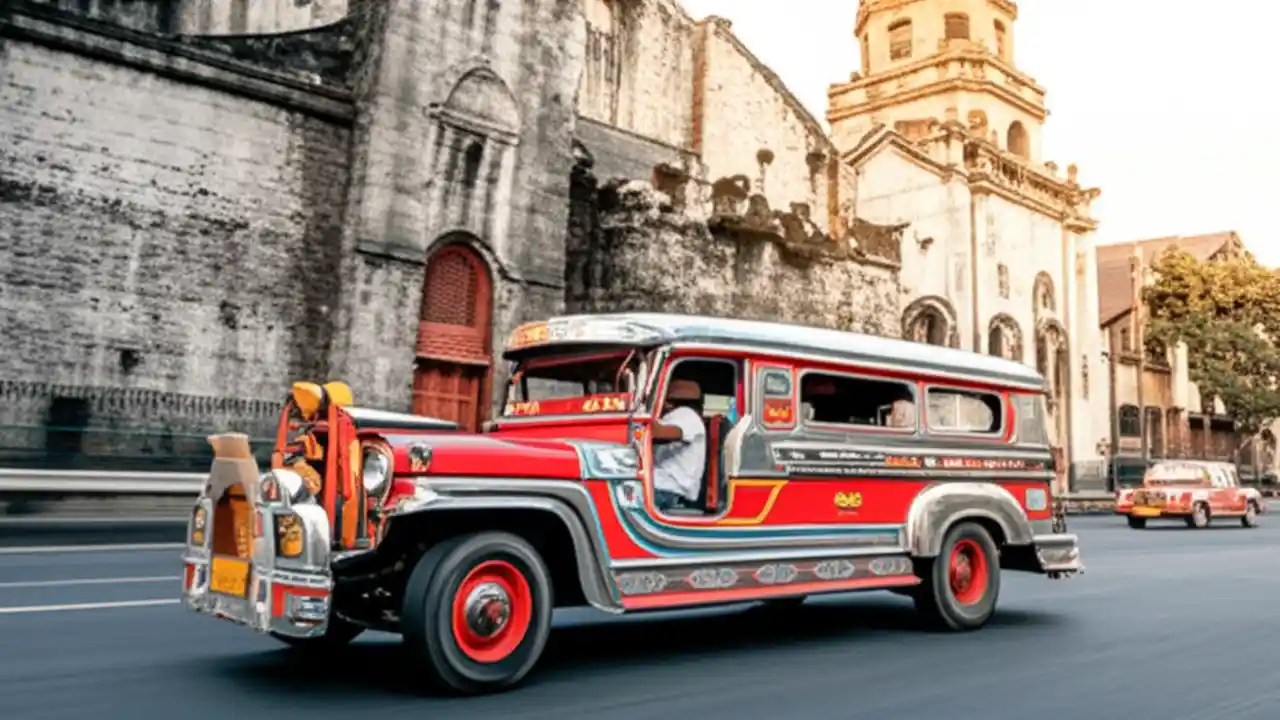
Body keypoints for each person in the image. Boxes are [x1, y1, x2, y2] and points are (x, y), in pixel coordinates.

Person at [651, 378, 706, 510]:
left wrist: (641, 417)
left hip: (670, 489)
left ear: (669, 402)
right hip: (663, 485)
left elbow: (662, 433)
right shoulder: (676, 416)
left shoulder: (687, 414)